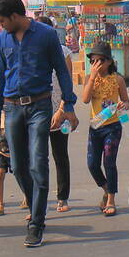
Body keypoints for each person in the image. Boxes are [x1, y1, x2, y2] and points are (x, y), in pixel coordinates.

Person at [0, 0, 77, 248]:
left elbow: (61, 70)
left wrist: (67, 105)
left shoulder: (46, 36)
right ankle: (35, 200)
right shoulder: (1, 39)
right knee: (17, 164)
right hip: (12, 108)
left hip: (40, 106)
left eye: (3, 20)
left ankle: (36, 223)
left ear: (15, 16)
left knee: (39, 162)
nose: (0, 25)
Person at [79, 42, 129, 217]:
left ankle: (111, 200)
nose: (97, 64)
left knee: (109, 161)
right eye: (93, 61)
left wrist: (124, 105)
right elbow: (85, 100)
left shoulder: (118, 79)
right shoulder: (89, 78)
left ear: (108, 61)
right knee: (92, 164)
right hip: (96, 126)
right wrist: (92, 77)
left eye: (100, 60)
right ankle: (106, 188)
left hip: (113, 126)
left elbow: (126, 102)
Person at [49, 32, 80, 212]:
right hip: (38, 111)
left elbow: (67, 82)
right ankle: (32, 198)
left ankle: (62, 197)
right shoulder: (29, 50)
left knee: (60, 155)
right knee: (36, 158)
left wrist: (64, 108)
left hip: (61, 111)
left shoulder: (64, 52)